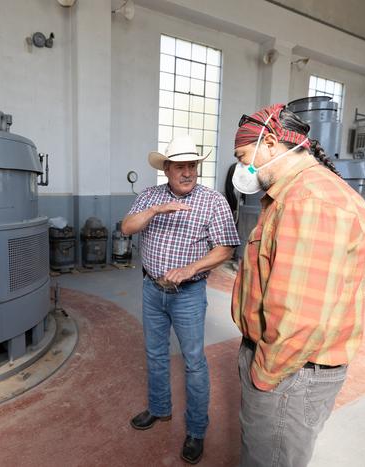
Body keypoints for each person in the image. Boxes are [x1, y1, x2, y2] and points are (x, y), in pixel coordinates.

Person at [230, 104, 365, 467]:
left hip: (288, 373)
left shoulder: (312, 201)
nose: (243, 168)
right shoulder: (292, 195)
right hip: (281, 365)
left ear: (272, 142)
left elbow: (301, 317)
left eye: (244, 156)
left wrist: (263, 375)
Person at [122, 134, 240, 464]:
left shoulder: (213, 201)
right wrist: (157, 210)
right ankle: (159, 409)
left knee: (193, 361)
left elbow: (226, 248)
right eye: (180, 167)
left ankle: (197, 431)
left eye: (193, 166)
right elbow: (127, 227)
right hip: (152, 289)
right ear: (167, 169)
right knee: (155, 353)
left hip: (188, 294)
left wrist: (191, 269)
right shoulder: (149, 196)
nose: (187, 172)